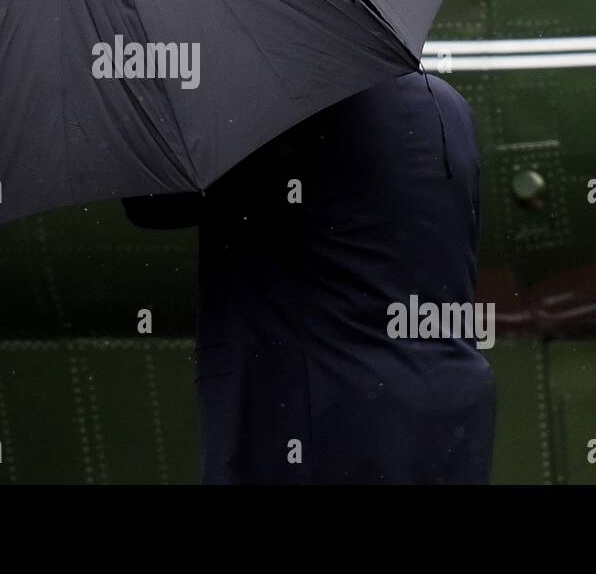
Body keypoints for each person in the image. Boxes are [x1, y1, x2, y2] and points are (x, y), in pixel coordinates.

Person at [123, 69, 495, 484]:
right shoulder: (449, 106)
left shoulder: (283, 108)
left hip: (320, 427)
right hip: (443, 420)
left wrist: (138, 80)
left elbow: (153, 203)